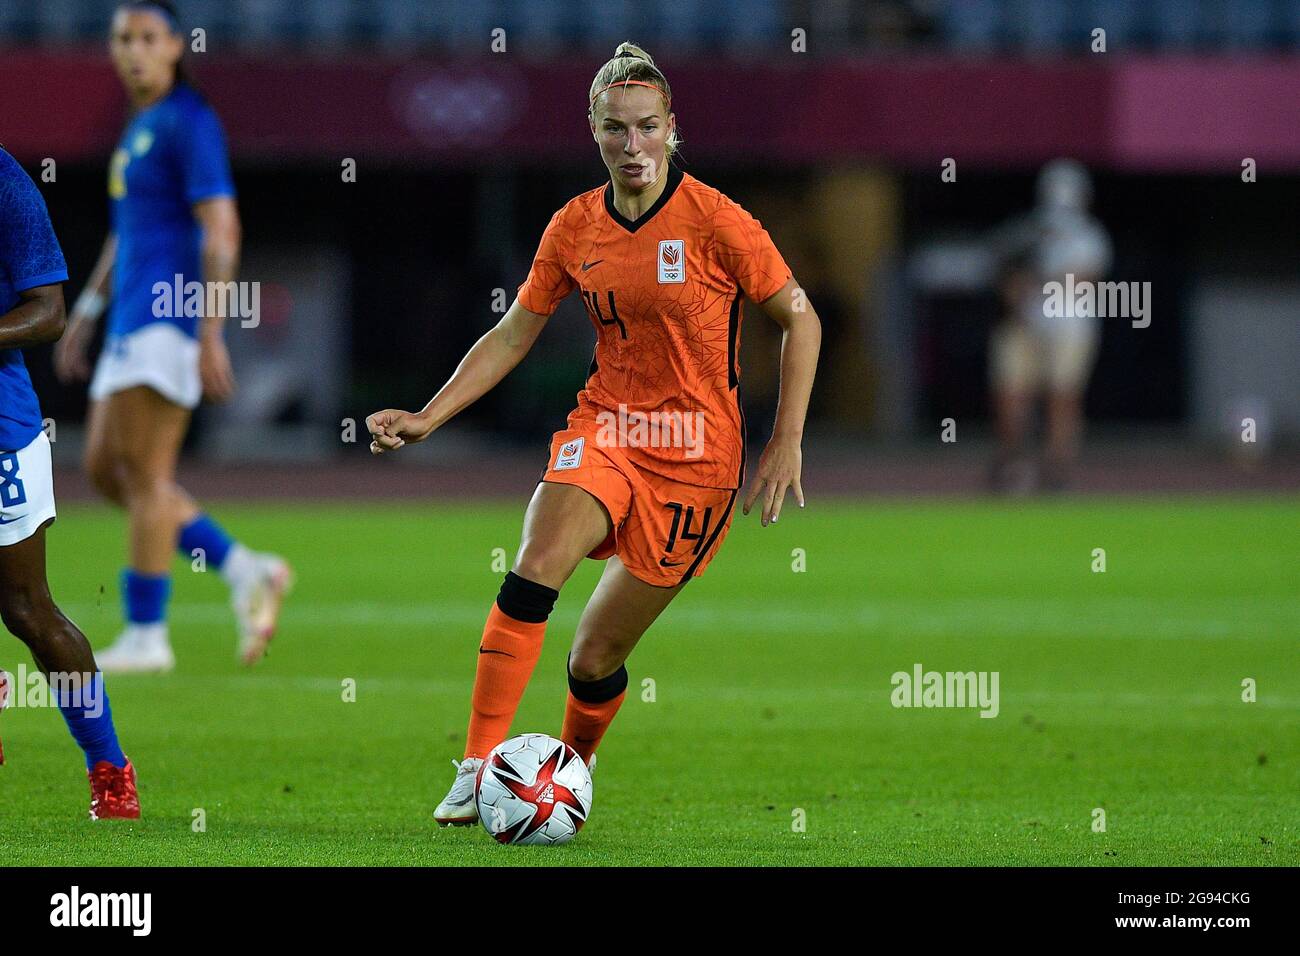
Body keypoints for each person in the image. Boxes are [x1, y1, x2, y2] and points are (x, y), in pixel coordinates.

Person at [366, 43, 821, 826]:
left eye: (648, 128)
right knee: (538, 562)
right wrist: (428, 416)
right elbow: (513, 334)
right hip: (607, 426)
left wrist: (786, 439)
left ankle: (569, 774)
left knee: (594, 657)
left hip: (696, 456)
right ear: (594, 130)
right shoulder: (574, 225)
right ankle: (477, 766)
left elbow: (800, 317)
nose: (633, 147)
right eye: (616, 130)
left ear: (673, 128)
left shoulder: (717, 220)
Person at [55, 1, 290, 673]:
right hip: (130, 317)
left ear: (175, 46)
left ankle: (147, 635)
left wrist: (210, 329)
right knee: (108, 472)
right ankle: (246, 568)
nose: (133, 50)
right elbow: (125, 233)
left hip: (168, 319)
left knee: (148, 478)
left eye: (147, 38)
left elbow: (222, 227)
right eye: (122, 38)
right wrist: (89, 310)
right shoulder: (139, 127)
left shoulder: (190, 121)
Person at [0, 146, 139, 819]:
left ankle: (110, 768)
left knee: (27, 610)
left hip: (0, 433)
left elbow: (47, 312)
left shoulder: (8, 187)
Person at [989, 159, 1112, 492]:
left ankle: (1056, 470)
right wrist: (1016, 288)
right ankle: (1015, 464)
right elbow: (1004, 275)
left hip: (1070, 327)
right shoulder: (1026, 231)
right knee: (1012, 396)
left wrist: (1039, 278)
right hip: (1026, 325)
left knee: (1062, 399)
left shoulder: (1088, 236)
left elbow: (1087, 281)